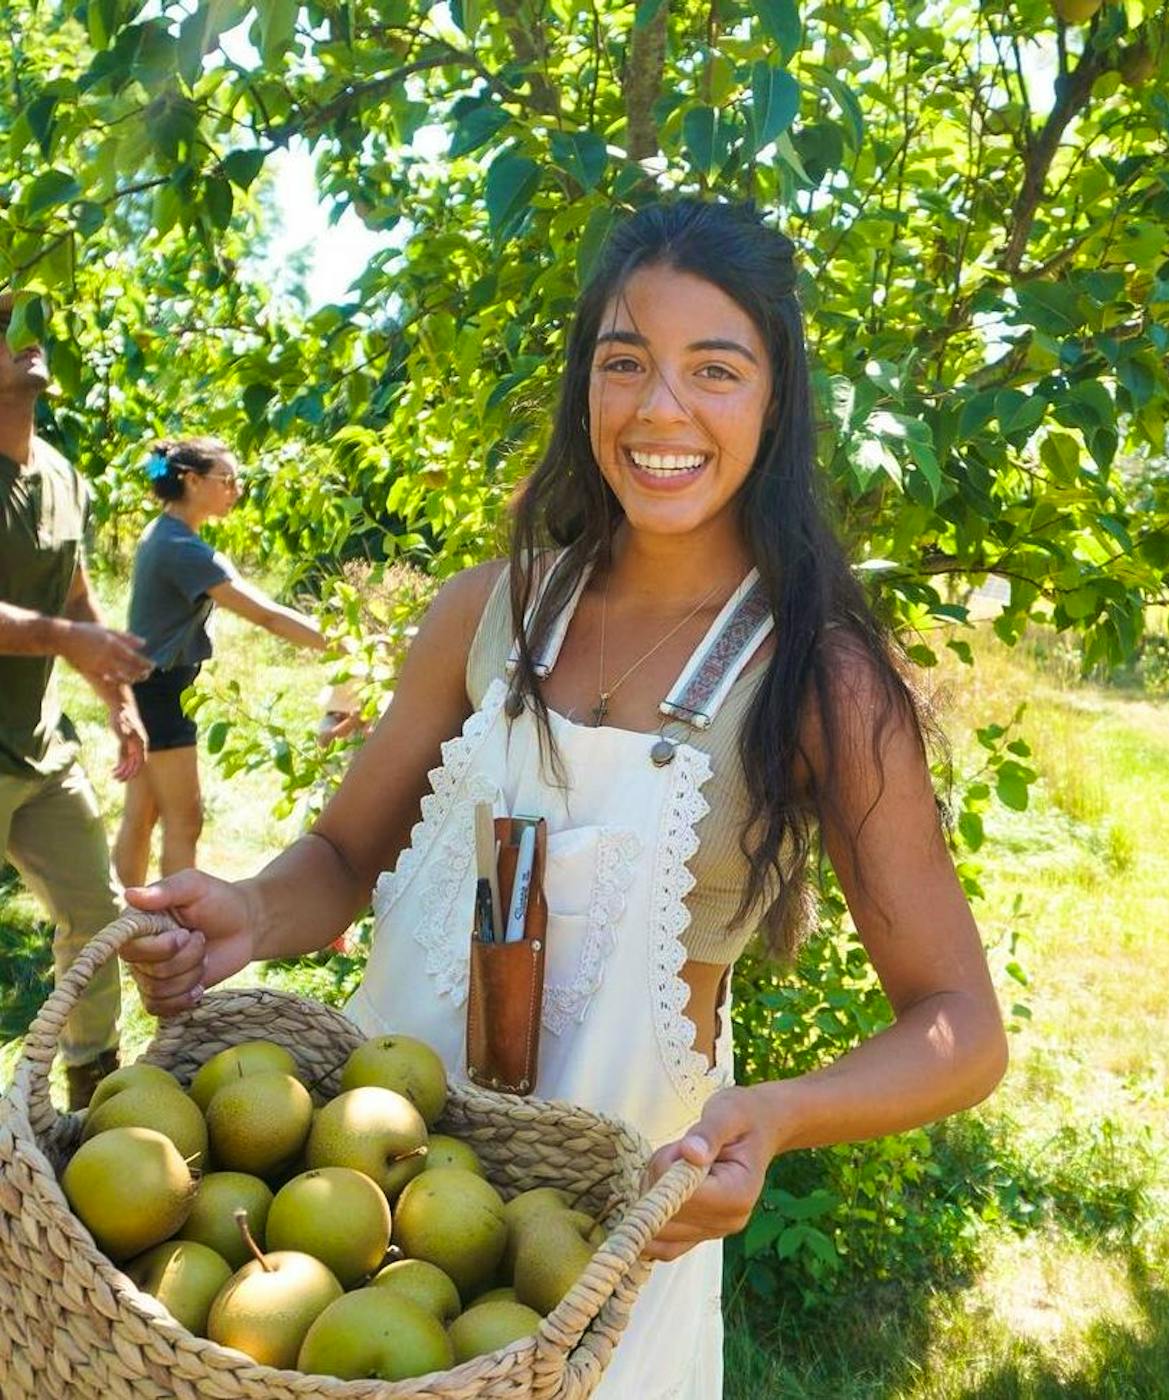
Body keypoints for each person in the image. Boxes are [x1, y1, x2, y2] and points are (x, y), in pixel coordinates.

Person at [122, 201, 1007, 1395]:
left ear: (776, 400)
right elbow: (343, 851)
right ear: (583, 384)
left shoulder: (815, 677)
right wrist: (248, 908)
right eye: (623, 361)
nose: (659, 409)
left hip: (608, 1244)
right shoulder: (486, 612)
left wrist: (780, 1113)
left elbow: (957, 1024)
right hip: (365, 1214)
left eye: (714, 369)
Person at [0, 292, 151, 1109]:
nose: (23, 337)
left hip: (40, 747)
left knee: (97, 917)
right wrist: (68, 641)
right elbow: (67, 628)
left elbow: (80, 598)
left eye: (26, 321)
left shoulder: (60, 473)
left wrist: (114, 694)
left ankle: (93, 1092)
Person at [112, 437, 331, 888]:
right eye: (227, 480)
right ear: (192, 481)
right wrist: (341, 644)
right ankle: (173, 928)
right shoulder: (181, 549)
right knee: (185, 819)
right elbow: (267, 615)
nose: (236, 490)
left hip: (146, 685)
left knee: (143, 814)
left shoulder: (165, 534)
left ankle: (121, 924)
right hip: (161, 691)